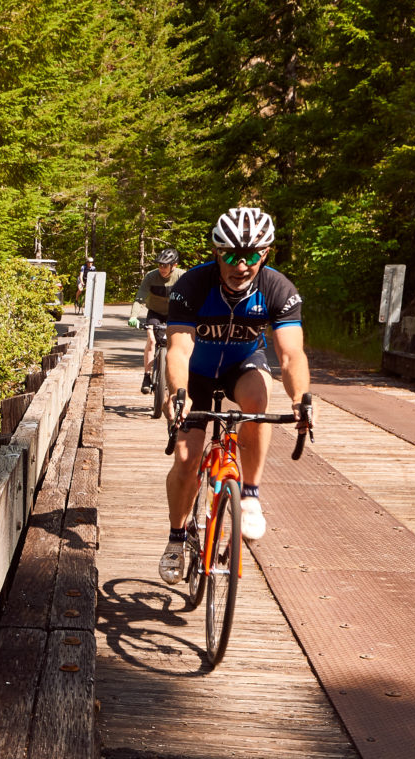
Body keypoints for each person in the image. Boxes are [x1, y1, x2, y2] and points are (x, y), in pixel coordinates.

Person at [158, 207, 314, 582]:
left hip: (241, 366)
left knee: (259, 401)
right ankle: (176, 537)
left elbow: (291, 354)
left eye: (251, 256)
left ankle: (250, 494)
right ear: (216, 252)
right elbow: (178, 350)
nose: (240, 266)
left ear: (266, 253)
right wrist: (177, 394)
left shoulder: (278, 290)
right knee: (186, 458)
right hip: (195, 373)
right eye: (230, 256)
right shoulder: (192, 286)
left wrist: (300, 398)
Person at [128, 247, 180, 396]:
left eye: (165, 265)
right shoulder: (151, 276)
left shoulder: (182, 276)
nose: (161, 268)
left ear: (174, 265)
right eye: (160, 265)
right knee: (151, 340)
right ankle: (147, 376)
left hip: (174, 314)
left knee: (177, 344)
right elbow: (140, 297)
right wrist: (133, 316)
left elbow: (193, 297)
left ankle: (176, 376)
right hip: (155, 313)